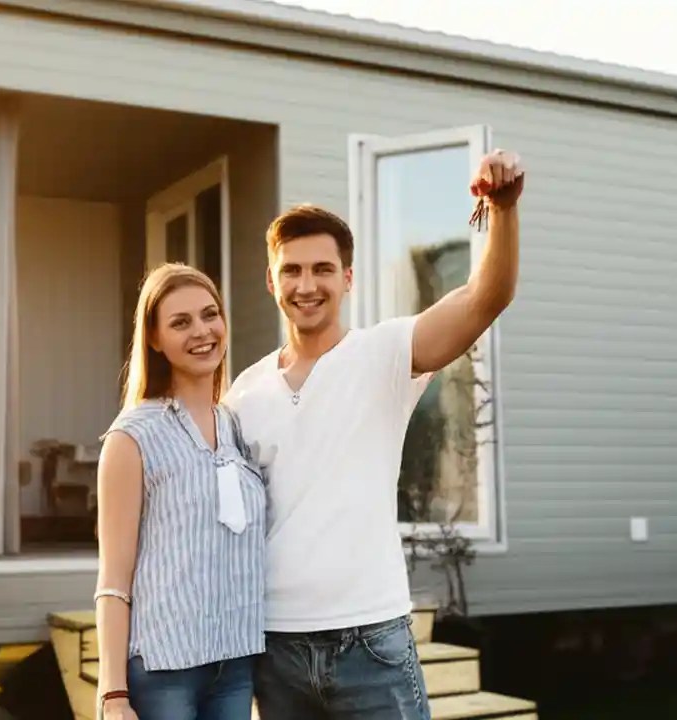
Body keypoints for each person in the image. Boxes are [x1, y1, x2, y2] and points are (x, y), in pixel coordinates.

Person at [224, 149, 525, 719]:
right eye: (291, 270)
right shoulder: (244, 393)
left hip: (371, 643)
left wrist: (503, 210)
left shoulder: (385, 353)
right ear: (271, 280)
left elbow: (486, 297)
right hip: (275, 648)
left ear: (348, 278)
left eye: (322, 269)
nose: (306, 284)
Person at [93, 263, 268, 720]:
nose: (202, 331)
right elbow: (113, 582)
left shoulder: (236, 427)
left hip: (235, 665)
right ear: (154, 339)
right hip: (163, 673)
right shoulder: (132, 437)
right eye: (180, 322)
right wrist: (113, 695)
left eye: (210, 315)